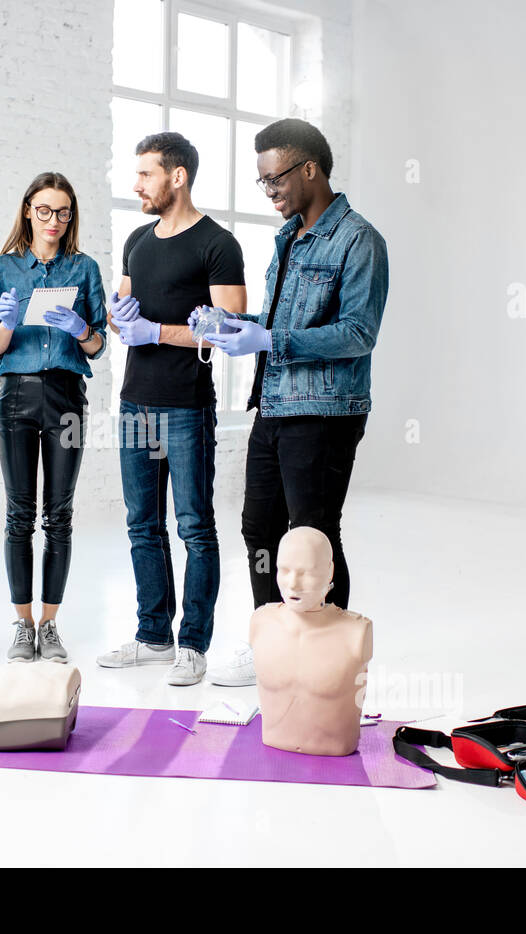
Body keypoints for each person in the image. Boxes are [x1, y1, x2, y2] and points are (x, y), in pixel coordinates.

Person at [200, 118, 388, 688]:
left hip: (327, 412)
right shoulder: (287, 238)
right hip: (276, 405)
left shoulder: (359, 240)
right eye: (262, 182)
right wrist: (234, 324)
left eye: (274, 178)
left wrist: (271, 340)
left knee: (313, 537)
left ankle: (333, 660)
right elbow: (281, 324)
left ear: (309, 169)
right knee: (260, 528)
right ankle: (273, 645)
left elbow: (359, 332)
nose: (270, 190)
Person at [95, 132, 246, 686]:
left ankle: (193, 645)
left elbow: (230, 328)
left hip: (185, 405)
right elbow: (122, 312)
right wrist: (119, 315)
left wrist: (154, 330)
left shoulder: (217, 244)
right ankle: (152, 637)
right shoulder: (138, 239)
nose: (137, 184)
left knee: (195, 527)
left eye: (146, 174)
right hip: (134, 401)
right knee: (142, 525)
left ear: (177, 176)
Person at [0, 173, 108, 664]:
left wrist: (81, 329)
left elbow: (96, 344)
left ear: (70, 216)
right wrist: (8, 324)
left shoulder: (84, 268)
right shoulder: (4, 268)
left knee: (59, 515)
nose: (53, 221)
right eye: (44, 210)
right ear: (28, 211)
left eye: (62, 212)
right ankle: (22, 624)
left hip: (66, 396)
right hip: (15, 396)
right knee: (19, 515)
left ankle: (50, 625)